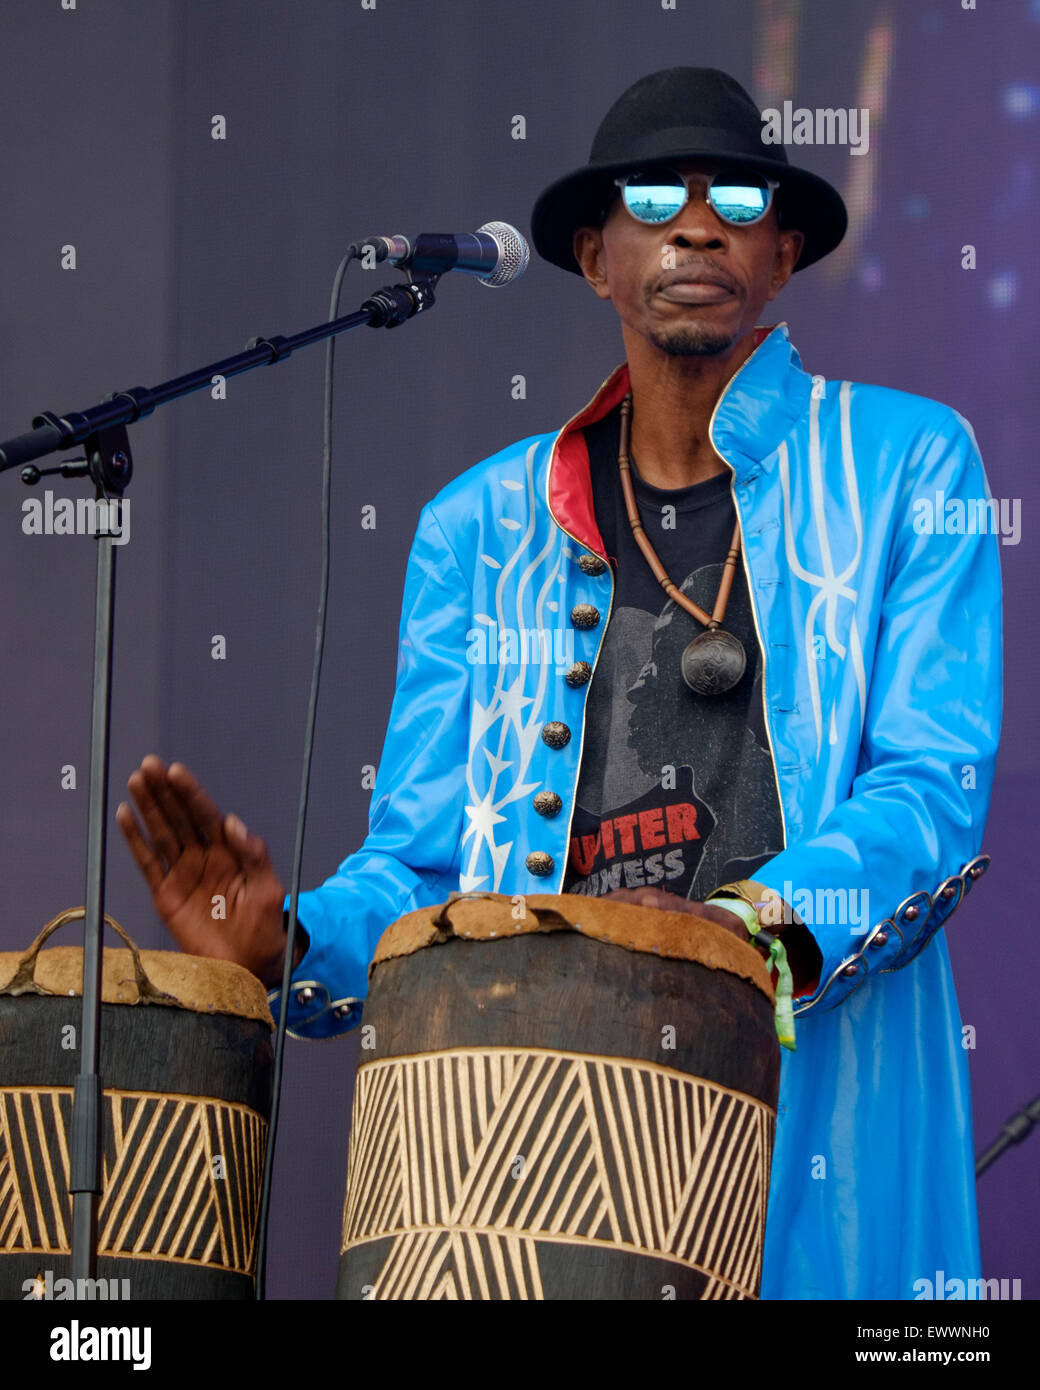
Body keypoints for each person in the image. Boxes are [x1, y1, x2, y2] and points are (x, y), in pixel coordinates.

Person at [116, 68, 1002, 1299]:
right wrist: (285, 940)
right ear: (594, 257)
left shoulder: (907, 462)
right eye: (653, 196)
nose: (695, 223)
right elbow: (431, 874)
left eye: (737, 197)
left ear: (782, 252)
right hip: (530, 1159)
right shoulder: (477, 524)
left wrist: (746, 930)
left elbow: (925, 794)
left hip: (808, 1134)